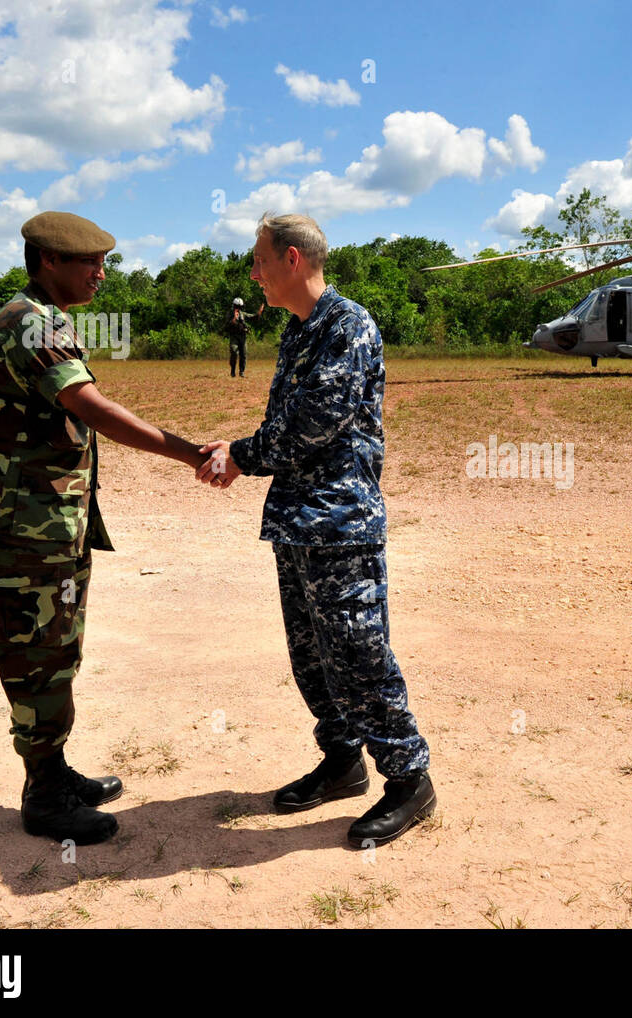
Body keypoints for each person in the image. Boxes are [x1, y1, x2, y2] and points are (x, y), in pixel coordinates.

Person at [0, 210, 207, 845]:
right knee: (35, 657)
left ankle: (54, 770)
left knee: (58, 650)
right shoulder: (30, 323)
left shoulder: (46, 318)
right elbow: (91, 407)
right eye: (87, 263)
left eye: (102, 261)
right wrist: (189, 452)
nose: (100, 272)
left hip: (47, 524)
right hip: (23, 529)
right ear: (48, 262)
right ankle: (43, 796)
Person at [196, 212, 434, 848]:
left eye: (260, 261)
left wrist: (241, 454)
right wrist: (244, 451)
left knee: (358, 651)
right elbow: (291, 425)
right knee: (311, 655)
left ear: (293, 260)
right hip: (298, 523)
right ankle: (342, 760)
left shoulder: (348, 325)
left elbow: (313, 424)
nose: (254, 273)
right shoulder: (298, 332)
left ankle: (410, 779)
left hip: (340, 522)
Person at [227, 297, 254, 377]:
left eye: (239, 307)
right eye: (236, 307)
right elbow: (228, 324)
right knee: (233, 351)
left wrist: (258, 313)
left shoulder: (243, 314)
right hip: (234, 336)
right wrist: (234, 319)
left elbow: (252, 316)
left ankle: (241, 372)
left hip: (243, 337)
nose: (238, 309)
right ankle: (232, 371)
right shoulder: (230, 314)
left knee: (243, 354)